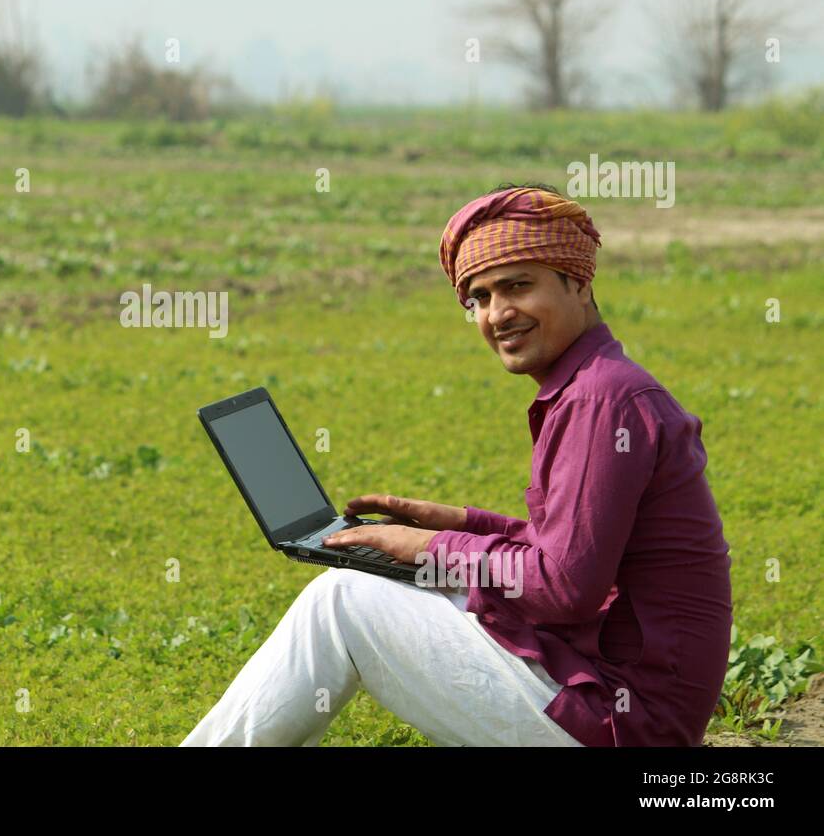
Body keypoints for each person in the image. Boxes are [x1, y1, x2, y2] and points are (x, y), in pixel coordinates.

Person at [180, 184, 733, 747]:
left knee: (341, 601)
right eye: (480, 298)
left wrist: (425, 548)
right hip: (621, 695)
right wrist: (456, 524)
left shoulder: (602, 400)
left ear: (580, 281)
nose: (499, 314)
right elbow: (569, 553)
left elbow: (565, 587)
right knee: (403, 583)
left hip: (624, 722)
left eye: (518, 286)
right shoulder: (596, 386)